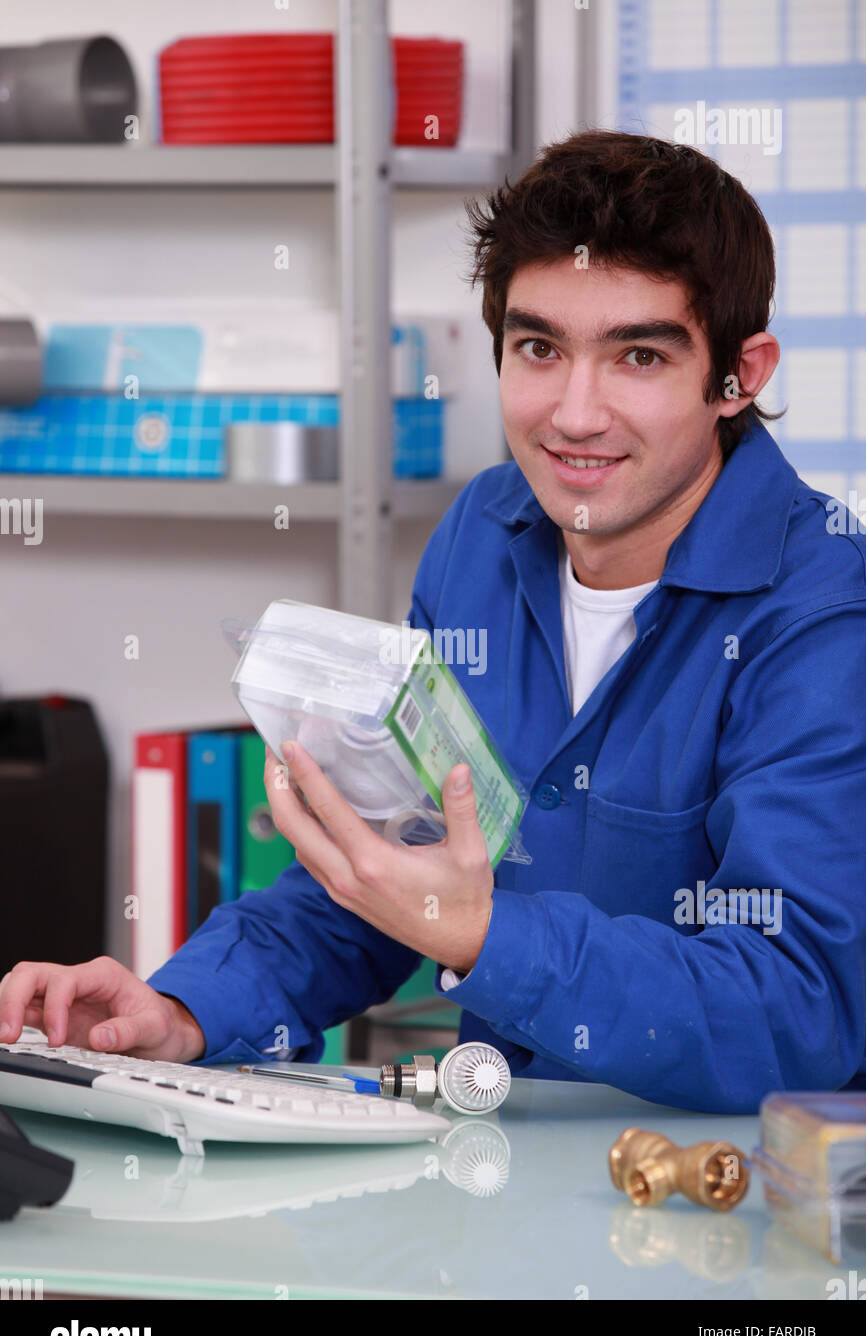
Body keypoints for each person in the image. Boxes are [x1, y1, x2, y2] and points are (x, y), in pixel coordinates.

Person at [2, 130, 865, 1113]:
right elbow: (383, 876)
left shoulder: (825, 616)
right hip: (505, 1171)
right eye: (539, 349)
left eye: (636, 355)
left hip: (734, 1212)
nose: (574, 415)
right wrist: (178, 1011)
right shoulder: (482, 535)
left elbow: (799, 1013)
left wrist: (481, 934)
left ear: (738, 375)